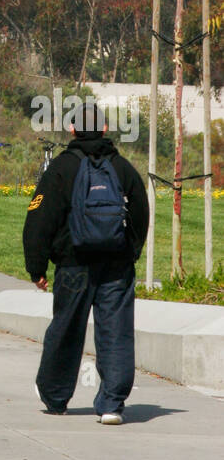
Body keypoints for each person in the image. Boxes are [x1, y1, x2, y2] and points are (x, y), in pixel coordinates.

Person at [23, 98, 149, 424]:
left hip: (73, 264)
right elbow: (140, 211)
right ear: (105, 128)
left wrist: (37, 267)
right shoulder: (122, 168)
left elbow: (39, 218)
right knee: (116, 332)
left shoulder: (62, 168)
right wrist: (131, 252)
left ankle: (55, 397)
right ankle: (111, 403)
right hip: (117, 267)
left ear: (72, 129)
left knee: (66, 328)